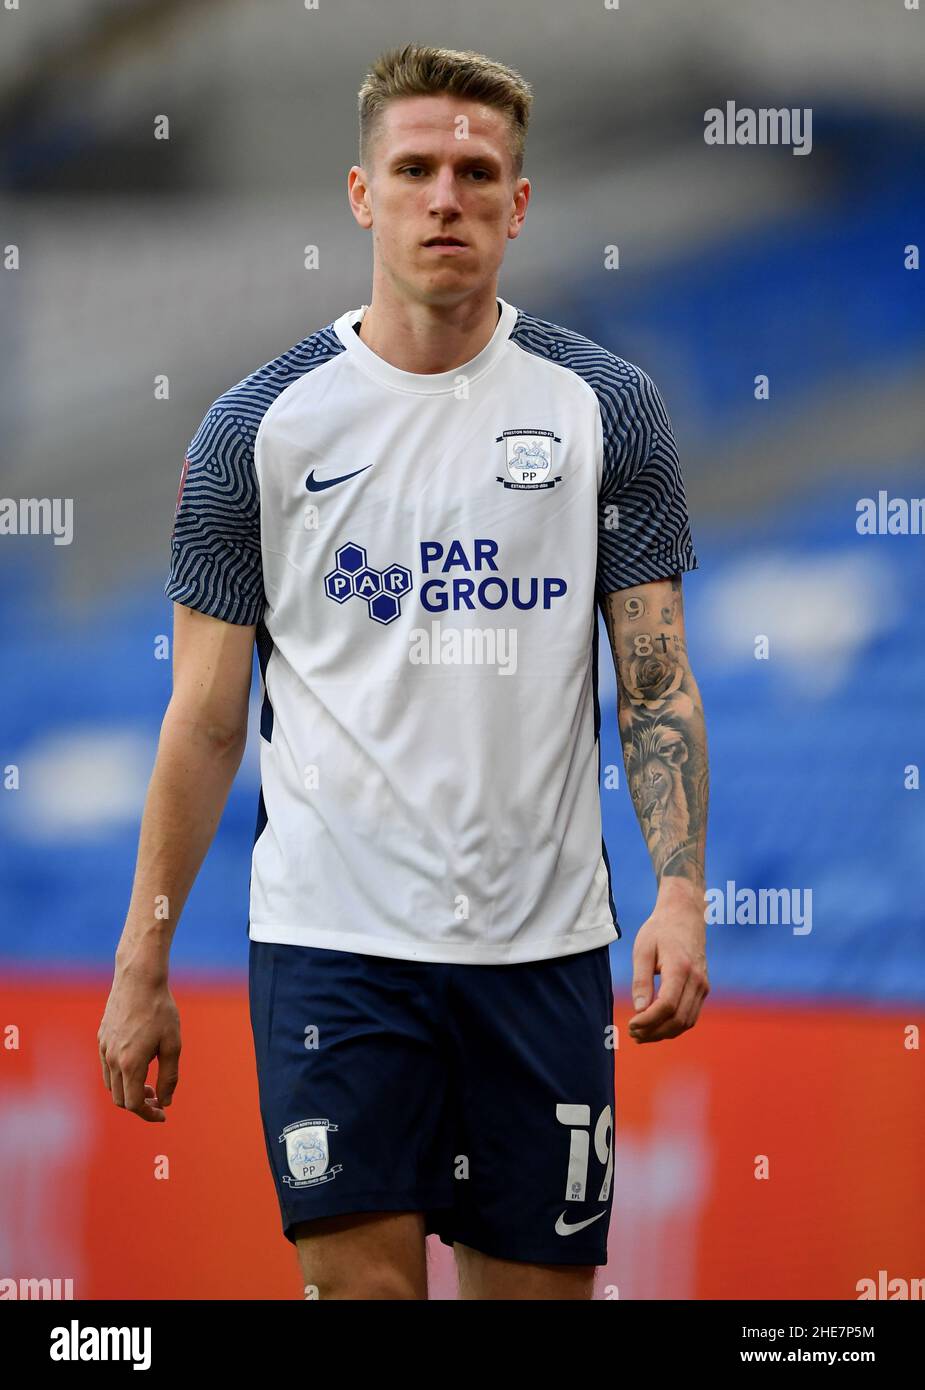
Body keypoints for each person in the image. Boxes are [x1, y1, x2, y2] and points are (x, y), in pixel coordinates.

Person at [98, 42, 710, 1302]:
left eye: (477, 173)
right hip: (333, 946)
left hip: (540, 951)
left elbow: (652, 683)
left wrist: (683, 893)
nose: (448, 197)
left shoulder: (607, 409)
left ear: (519, 204)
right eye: (416, 168)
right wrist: (141, 961)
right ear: (362, 194)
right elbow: (205, 722)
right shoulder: (256, 430)